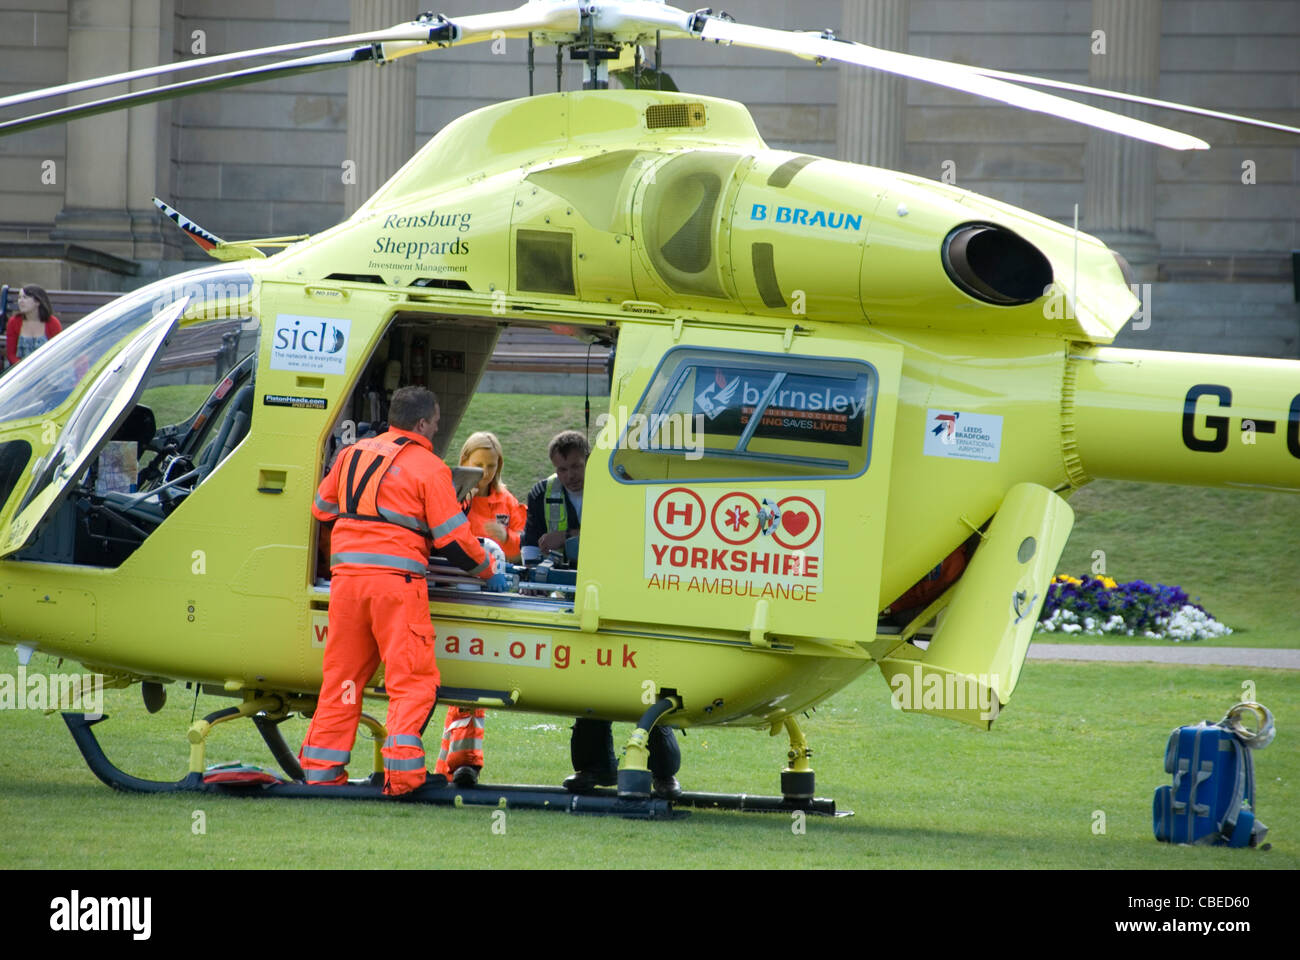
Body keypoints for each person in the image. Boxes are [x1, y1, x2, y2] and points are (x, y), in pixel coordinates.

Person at [301, 386, 507, 797]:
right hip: (396, 586)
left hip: (346, 586)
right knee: (411, 680)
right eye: (434, 421)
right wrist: (487, 569)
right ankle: (403, 779)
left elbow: (322, 510)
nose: (436, 428)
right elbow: (452, 538)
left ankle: (321, 775)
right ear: (421, 423)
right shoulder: (428, 468)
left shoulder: (350, 455)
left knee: (342, 679)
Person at [523, 430, 682, 798]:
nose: (570, 475)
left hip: (624, 597)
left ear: (590, 461)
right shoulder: (540, 494)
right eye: (562, 469)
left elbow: (624, 532)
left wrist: (567, 536)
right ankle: (594, 767)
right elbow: (531, 545)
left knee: (644, 681)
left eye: (577, 466)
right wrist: (533, 581)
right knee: (588, 681)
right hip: (573, 599)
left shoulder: (618, 488)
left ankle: (663, 772)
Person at [434, 430, 527, 787]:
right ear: (465, 462)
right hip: (457, 593)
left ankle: (459, 761)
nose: (486, 472)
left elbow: (521, 545)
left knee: (470, 684)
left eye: (491, 465)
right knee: (464, 685)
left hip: (493, 596)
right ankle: (462, 761)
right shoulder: (455, 498)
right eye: (478, 465)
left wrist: (507, 540)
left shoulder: (508, 502)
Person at [5, 284, 62, 367]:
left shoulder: (52, 323)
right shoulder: (14, 322)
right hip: (20, 369)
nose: (21, 301)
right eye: (19, 298)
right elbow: (11, 354)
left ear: (37, 302)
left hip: (47, 368)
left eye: (25, 297)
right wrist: (23, 367)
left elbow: (58, 352)